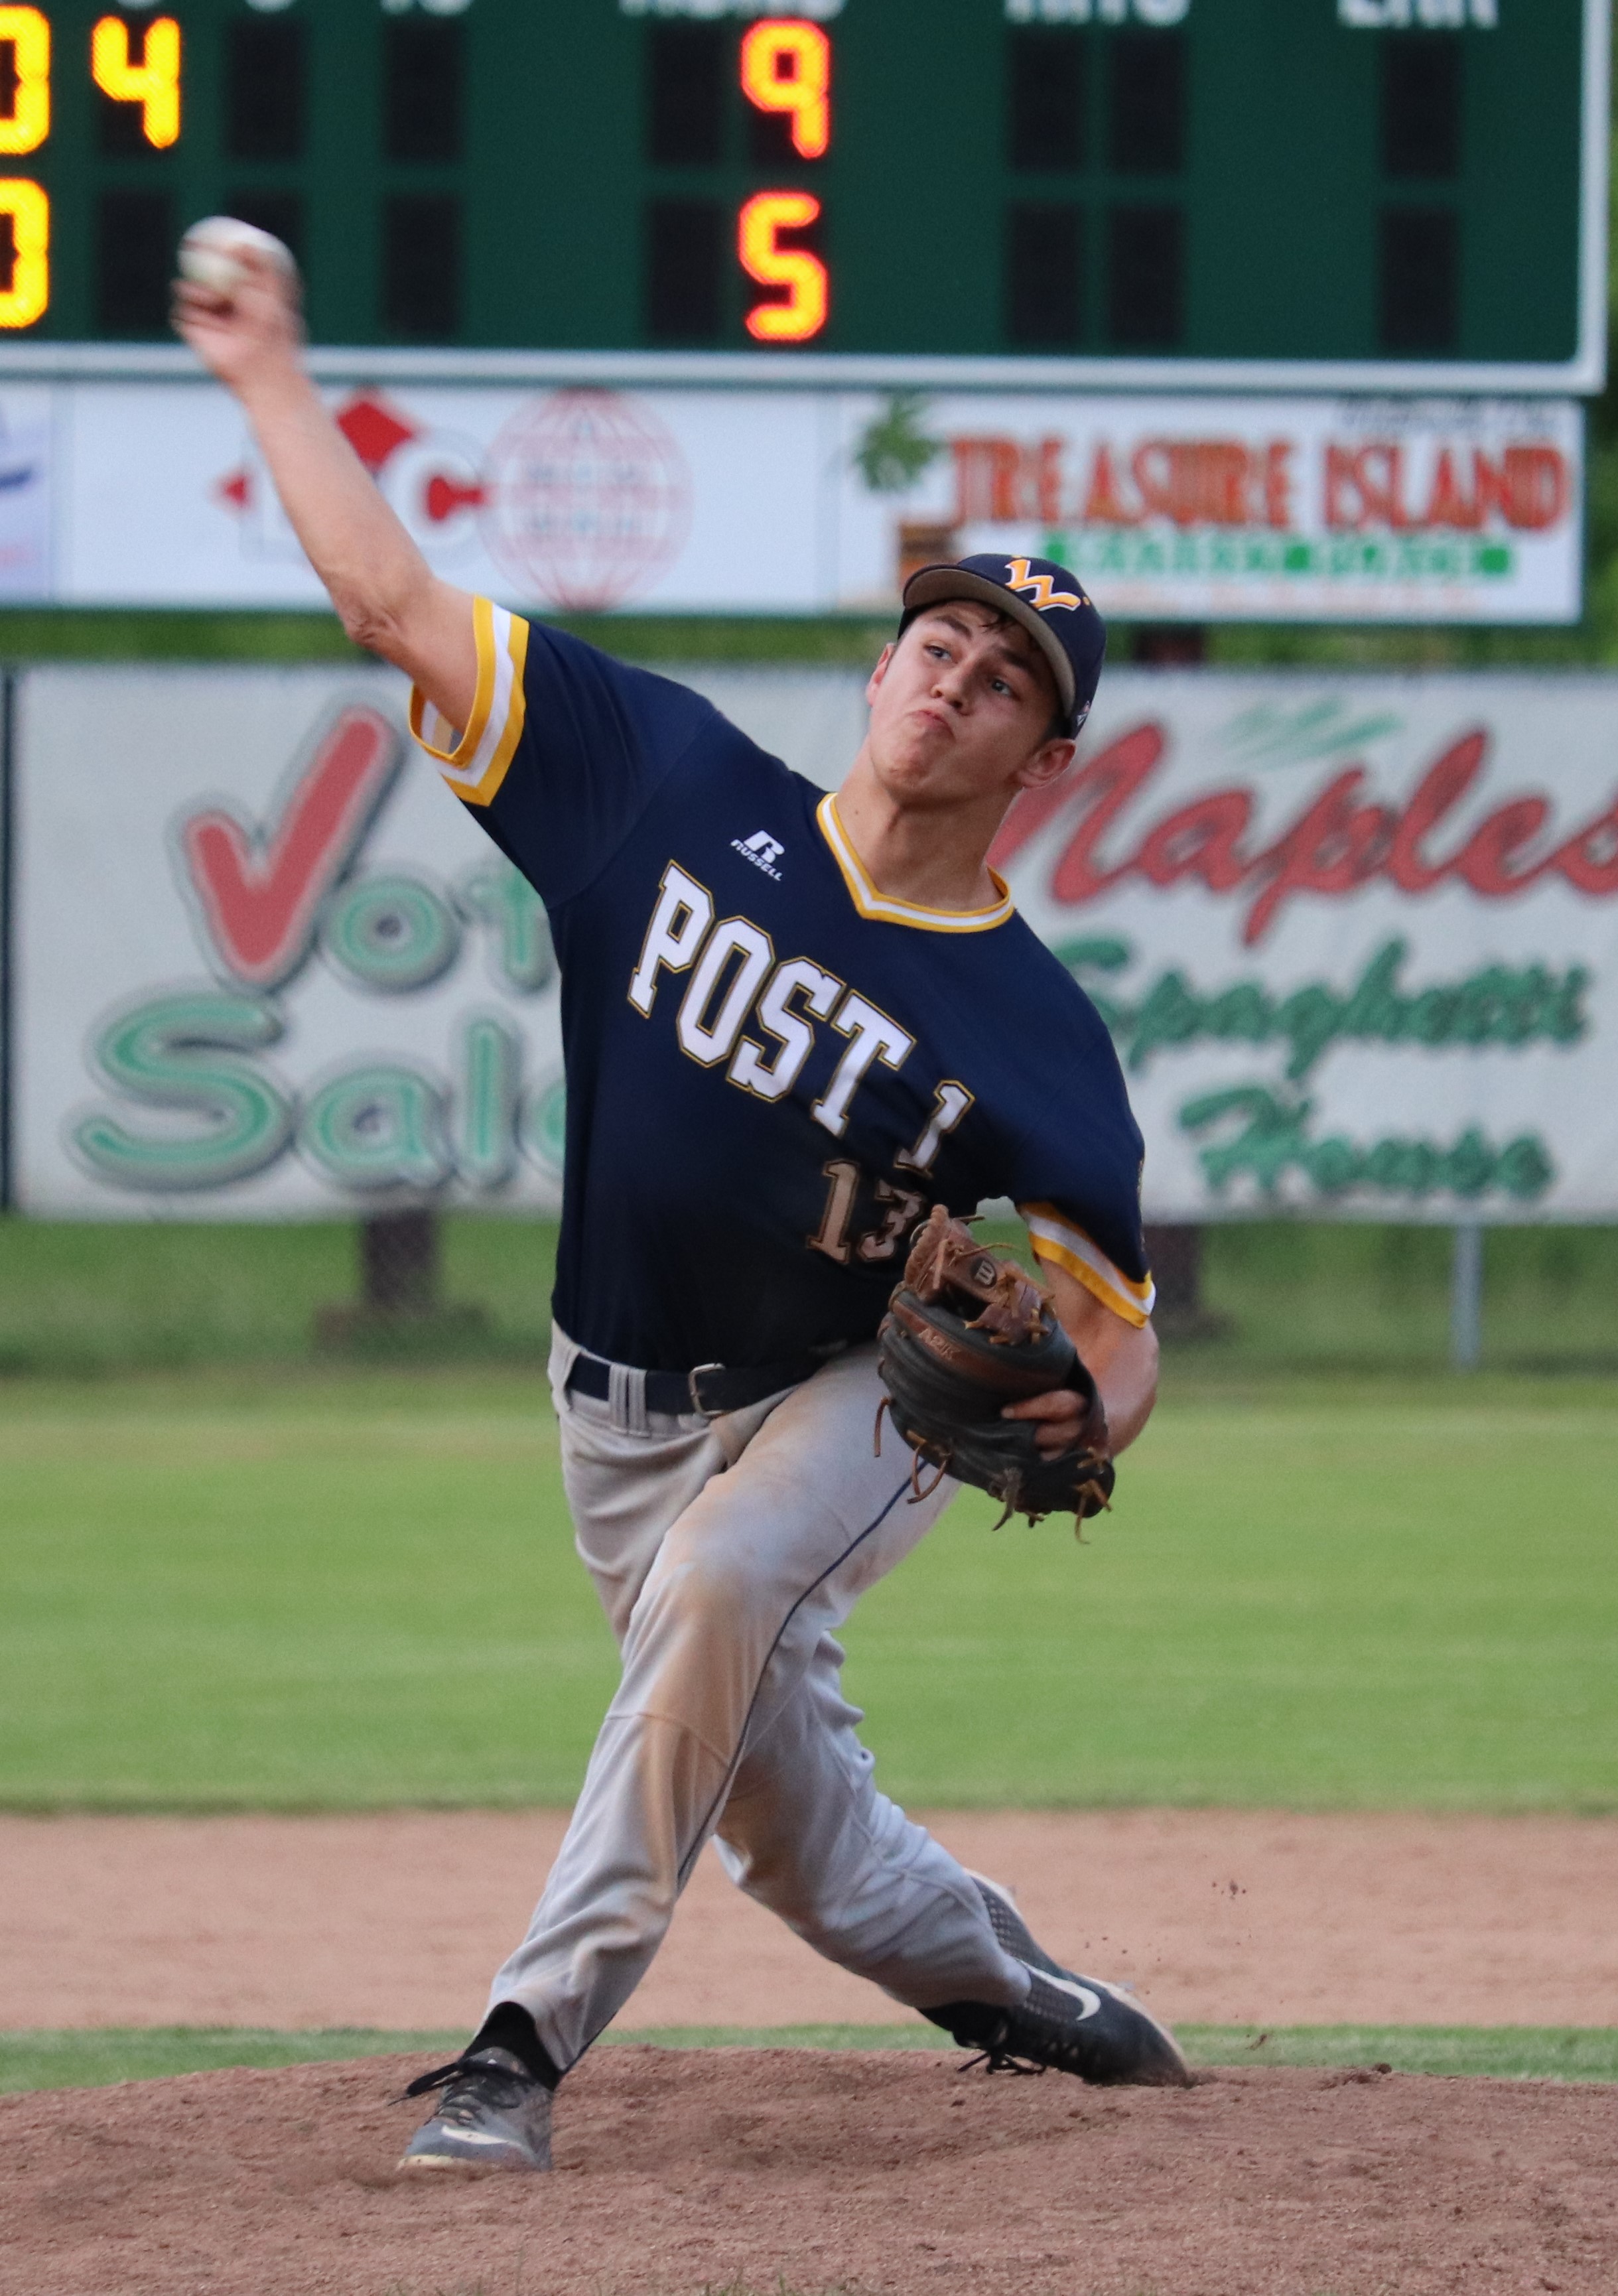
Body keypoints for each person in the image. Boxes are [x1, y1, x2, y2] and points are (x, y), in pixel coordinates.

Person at [175, 244, 1187, 2175]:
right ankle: (1020, 1993)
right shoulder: (659, 780)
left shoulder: (1035, 1033)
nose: (958, 683)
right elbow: (390, 602)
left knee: (729, 1584)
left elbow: (1117, 1337)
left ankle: (517, 2048)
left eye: (1007, 685)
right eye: (942, 646)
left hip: (847, 1407)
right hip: (613, 1407)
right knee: (794, 1833)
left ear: (1042, 762)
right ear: (885, 665)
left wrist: (1085, 1410)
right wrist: (268, 375)